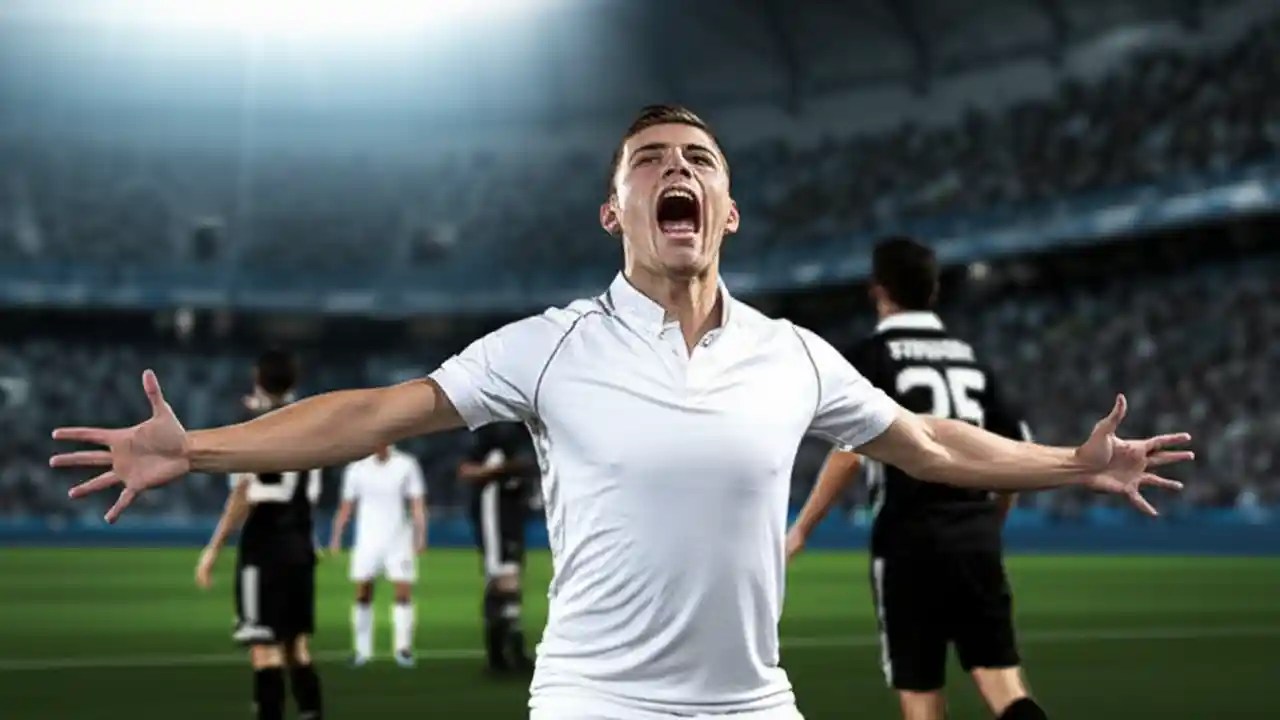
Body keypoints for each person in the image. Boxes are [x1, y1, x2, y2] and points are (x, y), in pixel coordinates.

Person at [52, 105, 1192, 720]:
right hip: (595, 702)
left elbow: (930, 441)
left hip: (754, 704)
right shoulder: (548, 347)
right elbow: (373, 412)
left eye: (695, 157)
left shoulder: (794, 357)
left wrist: (1066, 464)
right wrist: (196, 445)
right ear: (615, 210)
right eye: (649, 160)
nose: (673, 168)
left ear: (727, 210)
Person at [787, 237, 1045, 720]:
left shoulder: (871, 355)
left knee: (922, 697)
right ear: (934, 291)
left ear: (878, 291)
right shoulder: (971, 360)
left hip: (909, 539)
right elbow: (1019, 455)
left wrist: (802, 529)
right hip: (975, 537)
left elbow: (849, 454)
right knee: (1005, 685)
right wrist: (990, 522)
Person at [193, 349, 325, 720]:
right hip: (300, 545)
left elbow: (242, 496)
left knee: (263, 647)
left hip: (264, 548)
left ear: (257, 378)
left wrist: (213, 549)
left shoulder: (250, 429)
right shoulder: (311, 424)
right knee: (296, 647)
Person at [328, 444, 427, 668]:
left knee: (403, 592)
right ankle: (362, 651)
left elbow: (416, 503)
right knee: (363, 593)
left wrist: (421, 535)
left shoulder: (406, 465)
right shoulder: (356, 469)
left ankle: (403, 649)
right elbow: (346, 506)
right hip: (367, 541)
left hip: (399, 540)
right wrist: (336, 536)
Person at [458, 422, 538, 674]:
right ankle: (503, 654)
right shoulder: (490, 440)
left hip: (512, 521)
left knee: (508, 583)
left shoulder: (519, 437)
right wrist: (501, 470)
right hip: (495, 521)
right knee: (503, 583)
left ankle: (504, 654)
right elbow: (467, 471)